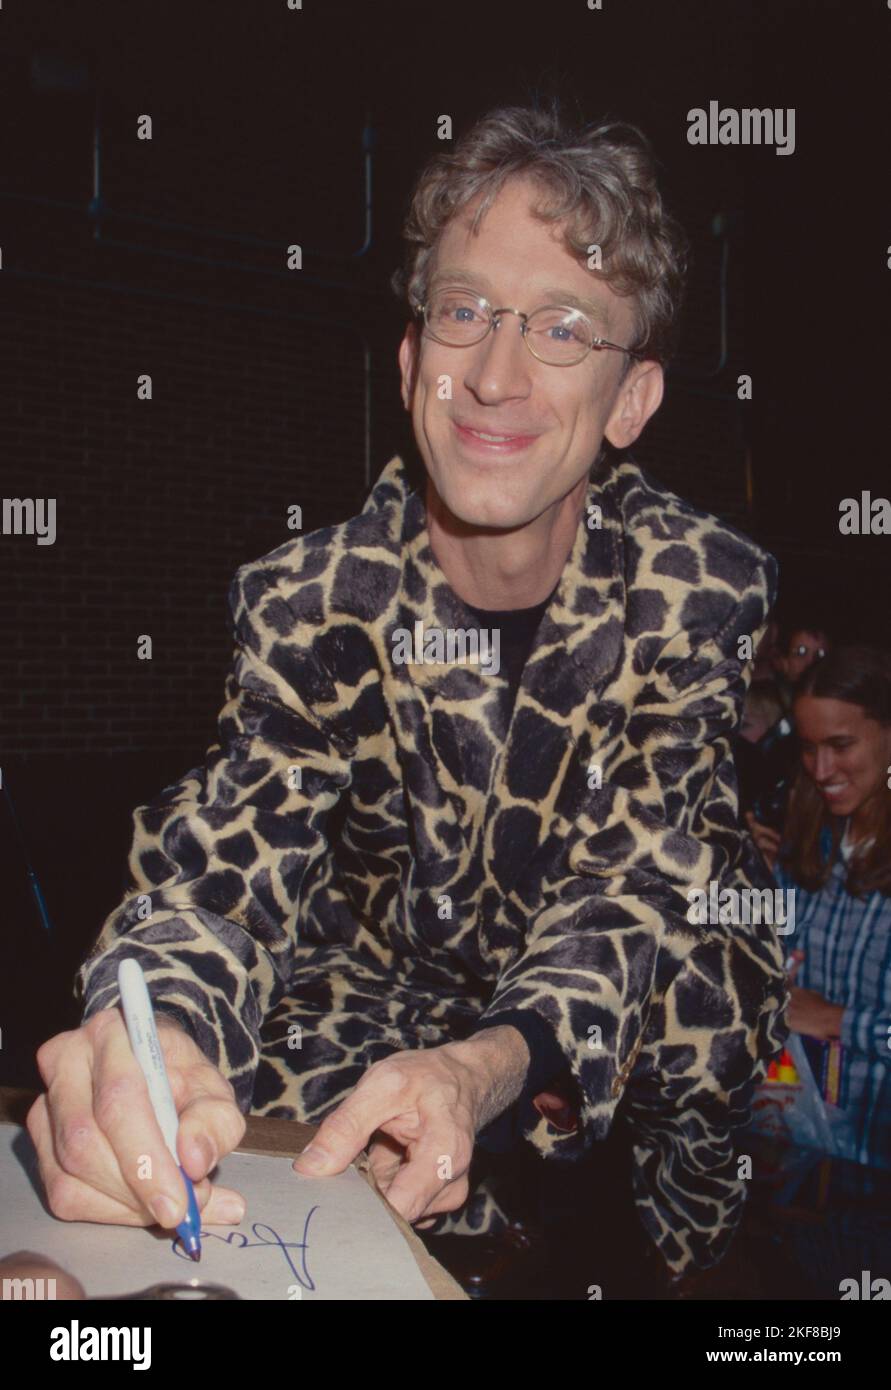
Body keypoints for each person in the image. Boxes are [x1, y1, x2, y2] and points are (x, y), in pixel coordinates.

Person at [27, 102, 786, 1289]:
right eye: (465, 311)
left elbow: (634, 884)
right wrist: (153, 1024)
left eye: (562, 328)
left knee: (704, 972)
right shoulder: (309, 597)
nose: (493, 373)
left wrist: (488, 1063)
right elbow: (233, 856)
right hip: (392, 989)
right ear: (410, 358)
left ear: (632, 402)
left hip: (641, 996)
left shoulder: (698, 588)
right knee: (282, 1108)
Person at [753, 646, 891, 1172]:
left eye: (840, 745)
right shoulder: (809, 844)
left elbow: (818, 1011)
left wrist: (837, 1020)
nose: (821, 769)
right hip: (798, 1152)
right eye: (809, 749)